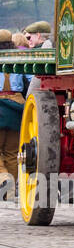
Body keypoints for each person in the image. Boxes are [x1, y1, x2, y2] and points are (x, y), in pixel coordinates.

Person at [0, 32, 24, 201]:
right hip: (17, 106)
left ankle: (3, 177)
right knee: (12, 152)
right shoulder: (20, 58)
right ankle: (10, 188)